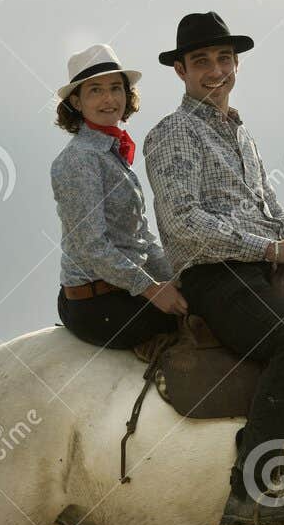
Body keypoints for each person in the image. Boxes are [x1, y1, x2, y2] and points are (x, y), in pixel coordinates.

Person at [143, 12, 284, 525]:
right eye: (202, 61)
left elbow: (269, 213)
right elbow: (184, 224)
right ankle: (248, 493)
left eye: (224, 59)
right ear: (181, 72)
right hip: (215, 277)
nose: (216, 70)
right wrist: (272, 247)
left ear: (236, 64)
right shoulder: (172, 134)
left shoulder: (241, 132)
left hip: (257, 266)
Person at [50, 44, 188, 349]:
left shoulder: (112, 154)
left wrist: (178, 278)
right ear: (76, 101)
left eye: (116, 88)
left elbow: (140, 238)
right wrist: (153, 290)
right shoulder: (79, 160)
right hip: (97, 301)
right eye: (95, 91)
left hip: (126, 288)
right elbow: (92, 246)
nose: (109, 99)